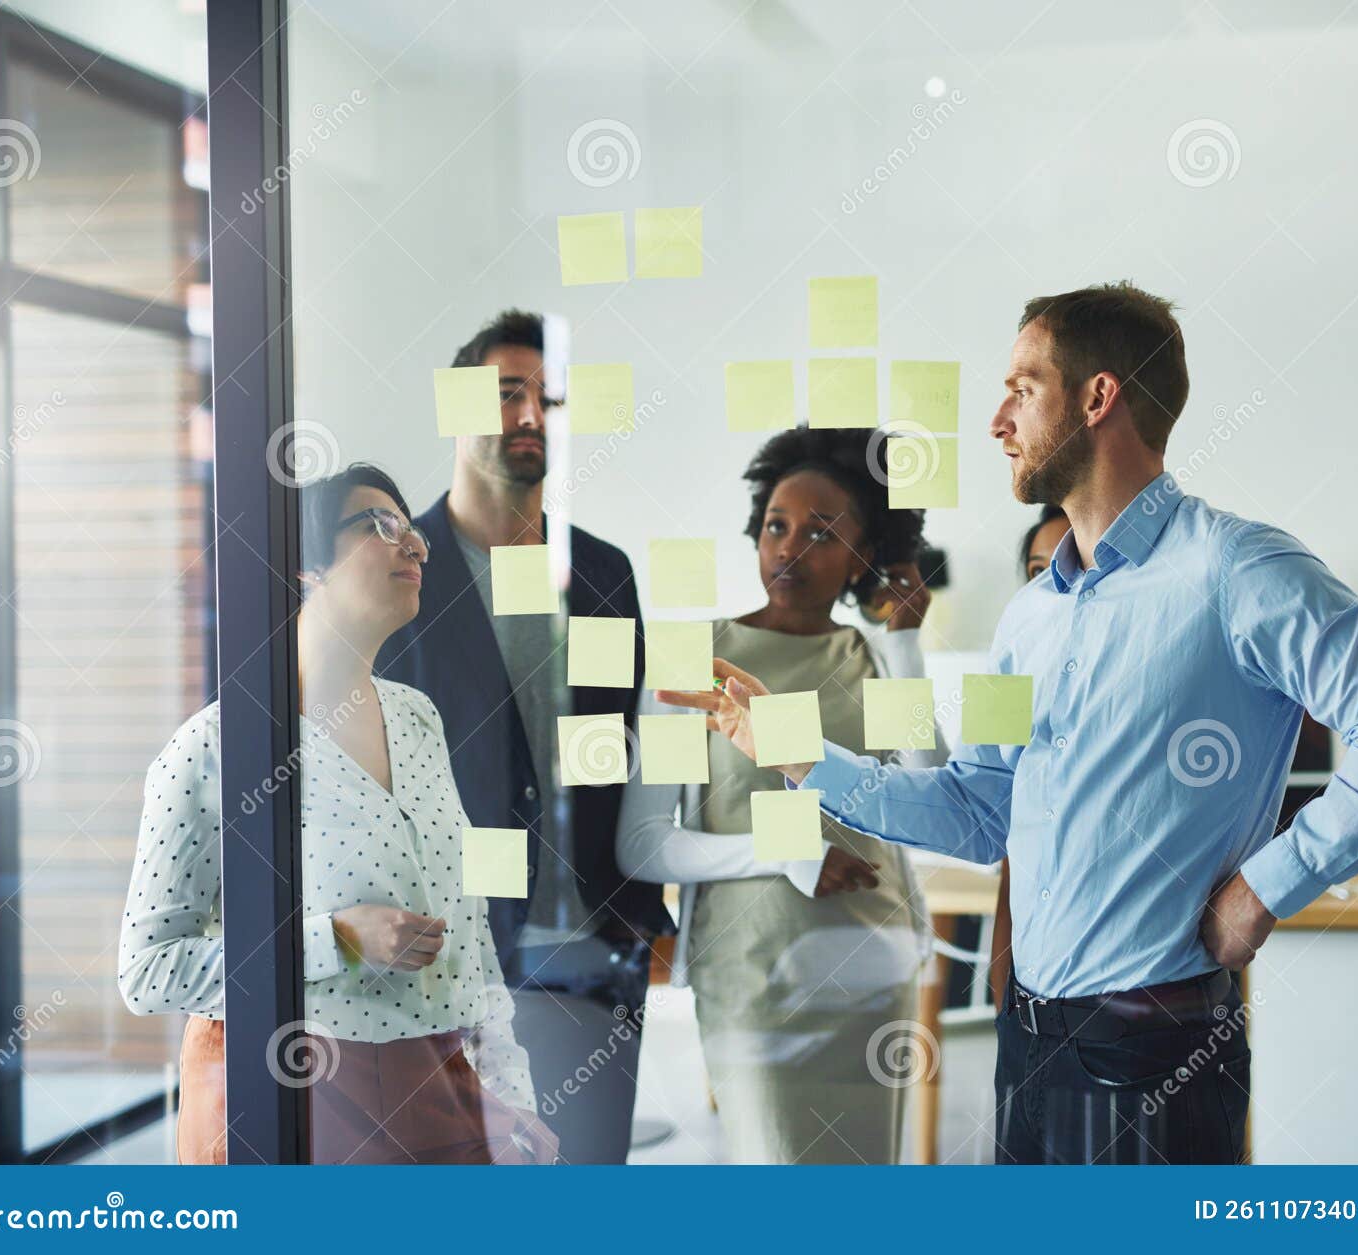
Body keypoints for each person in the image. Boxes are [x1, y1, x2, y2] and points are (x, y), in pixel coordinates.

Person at [661, 282, 1358, 1166]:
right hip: (1030, 1040)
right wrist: (791, 749)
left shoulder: (1237, 569)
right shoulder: (1030, 619)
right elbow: (978, 811)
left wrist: (1267, 886)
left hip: (1151, 1044)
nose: (996, 420)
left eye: (1022, 387)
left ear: (1098, 399)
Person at [119, 464, 556, 1166]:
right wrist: (337, 941)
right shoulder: (214, 748)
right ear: (305, 568)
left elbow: (467, 925)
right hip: (285, 1089)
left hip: (435, 1079)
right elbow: (147, 971)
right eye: (379, 526)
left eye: (413, 530)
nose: (414, 545)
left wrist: (512, 1092)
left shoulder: (417, 719)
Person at [375, 310, 670, 1164]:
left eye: (551, 398)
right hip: (448, 959)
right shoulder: (402, 571)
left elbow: (623, 749)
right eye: (508, 393)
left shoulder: (603, 570)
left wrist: (647, 913)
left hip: (592, 953)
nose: (532, 415)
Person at [617, 427, 944, 1164]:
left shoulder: (873, 660)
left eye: (822, 532)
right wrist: (789, 851)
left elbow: (934, 796)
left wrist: (903, 641)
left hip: (874, 967)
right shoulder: (693, 662)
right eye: (776, 525)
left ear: (865, 557)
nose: (790, 549)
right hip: (753, 977)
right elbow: (642, 846)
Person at [990, 504, 1068, 1008]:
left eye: (1064, 564)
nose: (1052, 584)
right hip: (1020, 890)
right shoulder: (1009, 657)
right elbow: (979, 791)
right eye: (1037, 570)